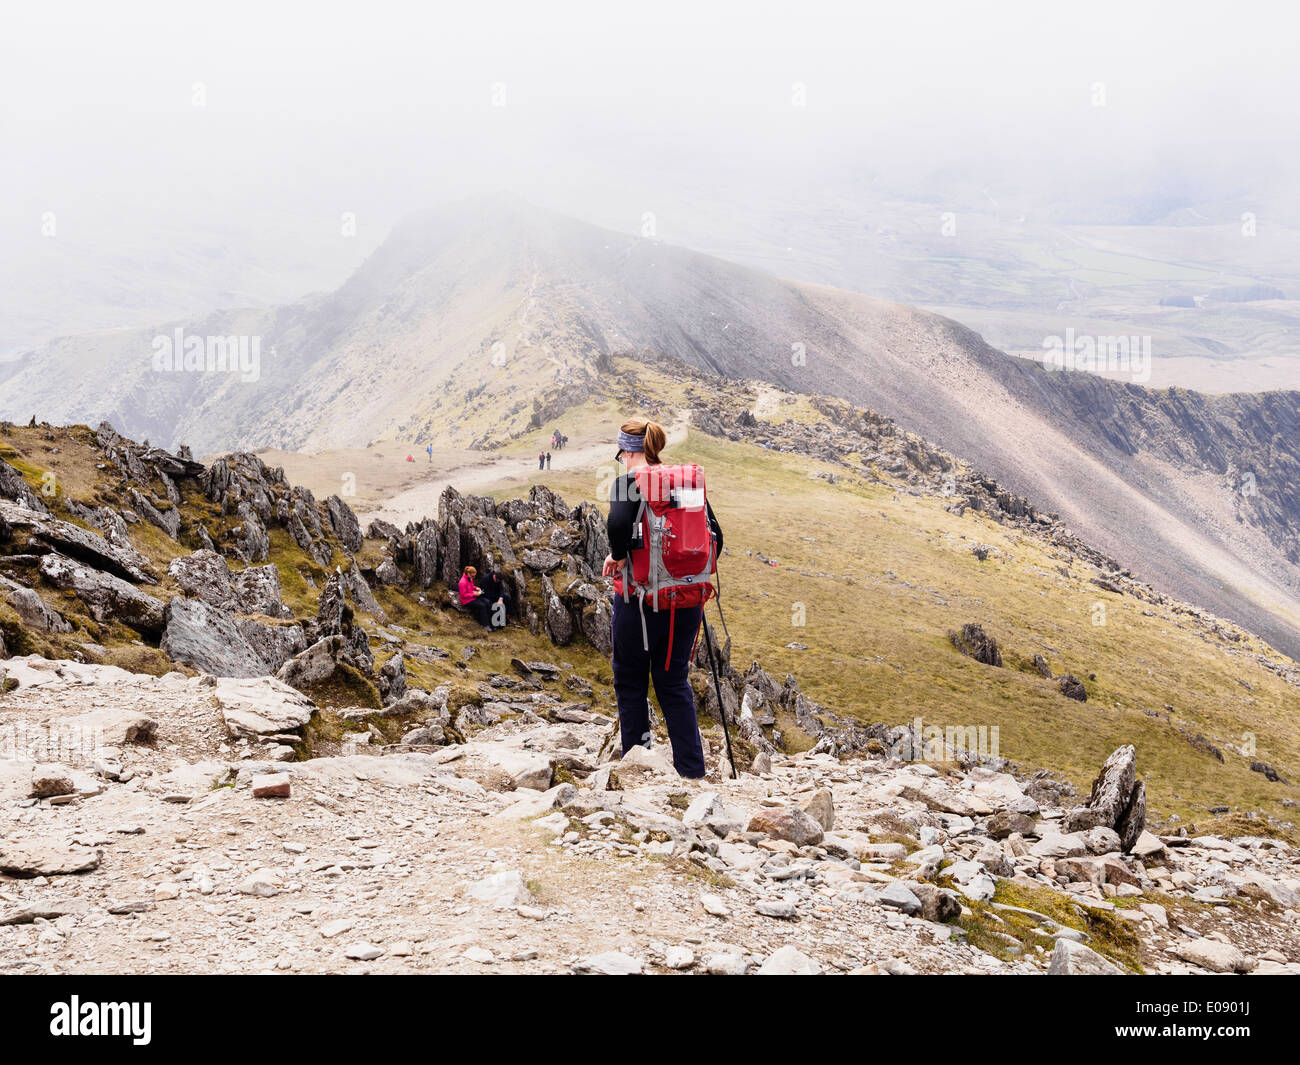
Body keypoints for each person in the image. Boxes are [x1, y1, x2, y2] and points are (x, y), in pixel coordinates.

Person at [602, 419, 723, 779]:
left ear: (627, 451)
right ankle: (691, 770)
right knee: (673, 681)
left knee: (631, 681)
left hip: (640, 604)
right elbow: (717, 536)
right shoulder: (685, 484)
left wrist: (618, 554)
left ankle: (639, 766)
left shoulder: (627, 484)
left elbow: (618, 525)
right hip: (687, 600)